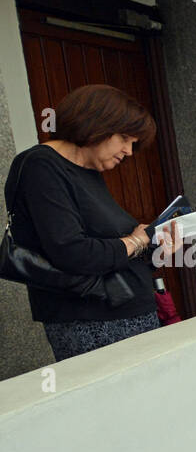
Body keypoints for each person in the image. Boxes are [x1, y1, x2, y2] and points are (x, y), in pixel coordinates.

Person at [4, 84, 172, 361]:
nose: (129, 152)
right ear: (97, 124)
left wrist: (155, 248)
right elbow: (73, 253)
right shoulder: (41, 166)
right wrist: (136, 240)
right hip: (92, 321)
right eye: (125, 139)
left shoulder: (89, 171)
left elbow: (113, 254)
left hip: (128, 312)